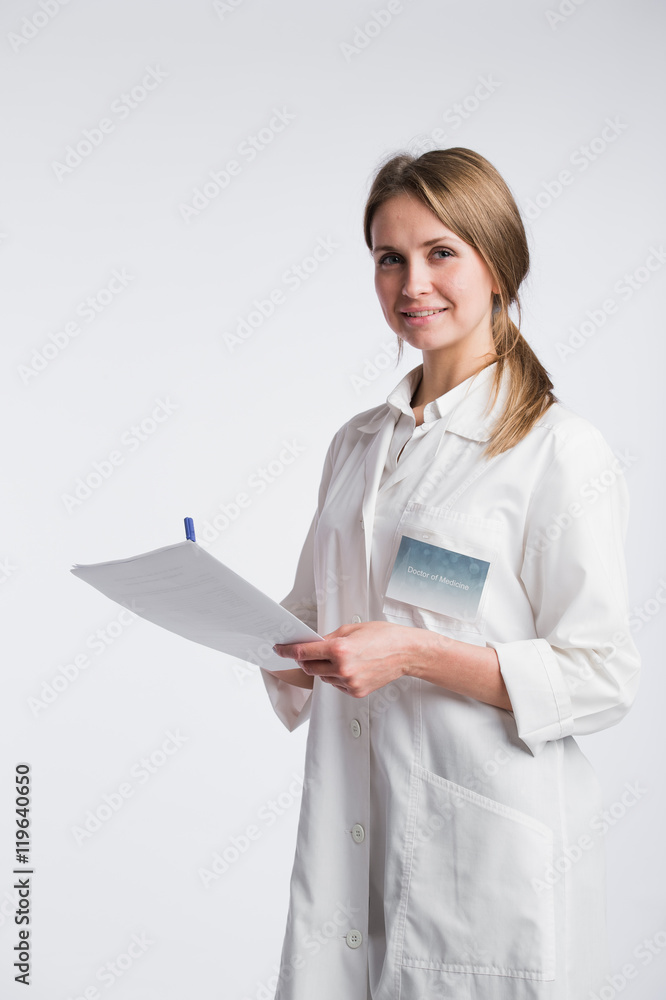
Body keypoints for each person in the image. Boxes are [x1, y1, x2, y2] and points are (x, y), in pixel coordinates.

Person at [260, 147, 641, 1000]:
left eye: (440, 253)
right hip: (349, 829)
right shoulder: (357, 444)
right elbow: (313, 619)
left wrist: (416, 655)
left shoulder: (557, 451)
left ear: (497, 264)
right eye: (388, 258)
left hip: (483, 860)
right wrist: (270, 640)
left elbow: (602, 675)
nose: (411, 284)